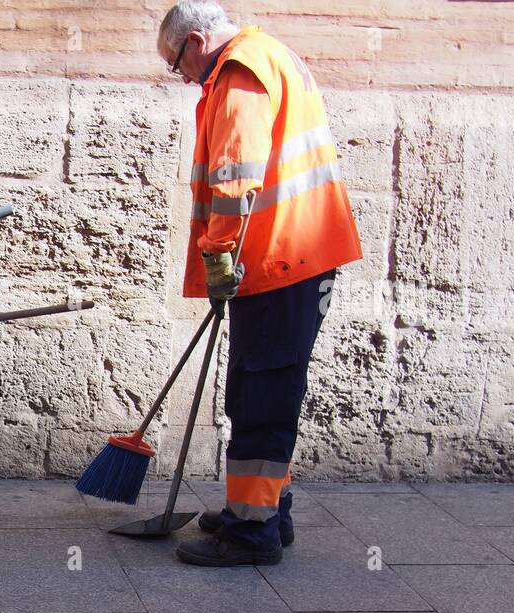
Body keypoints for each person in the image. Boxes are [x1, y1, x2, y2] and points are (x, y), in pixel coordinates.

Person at [157, 1, 363, 567]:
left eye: (178, 64)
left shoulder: (240, 71)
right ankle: (269, 508)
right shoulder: (272, 54)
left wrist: (219, 253)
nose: (183, 77)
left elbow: (234, 174)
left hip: (279, 260)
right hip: (295, 255)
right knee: (265, 387)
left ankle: (253, 533)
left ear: (196, 41)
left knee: (261, 395)